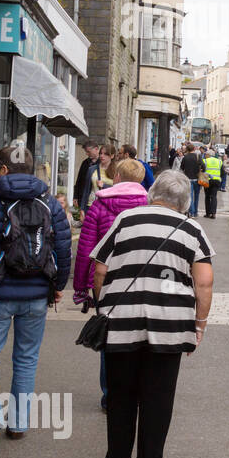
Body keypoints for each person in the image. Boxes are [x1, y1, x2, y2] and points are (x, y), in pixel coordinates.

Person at [91, 171, 213, 458]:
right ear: (185, 201)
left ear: (152, 192)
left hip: (122, 322)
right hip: (169, 325)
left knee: (121, 394)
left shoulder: (126, 220)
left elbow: (100, 270)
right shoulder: (192, 229)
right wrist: (198, 325)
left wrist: (104, 308)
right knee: (158, 395)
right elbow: (204, 283)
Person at [0, 146, 71, 451]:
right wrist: (58, 284)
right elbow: (63, 249)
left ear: (1, 170)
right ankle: (18, 424)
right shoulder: (49, 201)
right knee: (26, 358)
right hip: (37, 290)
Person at [74, 159, 149, 412]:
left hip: (105, 283)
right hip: (140, 282)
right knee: (139, 339)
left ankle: (110, 397)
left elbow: (86, 248)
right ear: (140, 180)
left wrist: (80, 288)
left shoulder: (99, 204)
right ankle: (136, 394)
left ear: (116, 177)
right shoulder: (148, 205)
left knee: (108, 339)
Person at [73, 140, 100, 219]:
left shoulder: (101, 163)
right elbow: (79, 180)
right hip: (84, 198)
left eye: (88, 151)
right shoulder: (85, 162)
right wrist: (75, 196)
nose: (87, 154)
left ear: (96, 149)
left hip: (96, 198)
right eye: (86, 152)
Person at [179, 144, 203, 217]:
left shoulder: (185, 157)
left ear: (187, 149)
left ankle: (191, 212)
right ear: (194, 149)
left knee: (190, 197)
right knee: (196, 196)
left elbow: (182, 168)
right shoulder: (198, 157)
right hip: (197, 179)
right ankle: (195, 212)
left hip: (188, 179)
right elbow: (203, 167)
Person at [203, 148, 223, 218]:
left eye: (206, 154)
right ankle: (213, 214)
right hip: (216, 180)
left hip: (207, 180)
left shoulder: (205, 161)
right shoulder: (219, 161)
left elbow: (202, 170)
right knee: (214, 196)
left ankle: (208, 213)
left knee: (207, 197)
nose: (205, 155)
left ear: (209, 155)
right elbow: (222, 171)